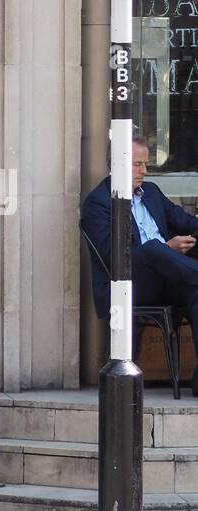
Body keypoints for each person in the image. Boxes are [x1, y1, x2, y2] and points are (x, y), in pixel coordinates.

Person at [81, 134, 198, 395]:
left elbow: (186, 222)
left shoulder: (152, 192)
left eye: (145, 164)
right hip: (130, 285)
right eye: (136, 164)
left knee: (195, 289)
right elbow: (114, 258)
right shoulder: (98, 203)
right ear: (117, 163)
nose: (143, 171)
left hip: (168, 276)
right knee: (155, 248)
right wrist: (166, 249)